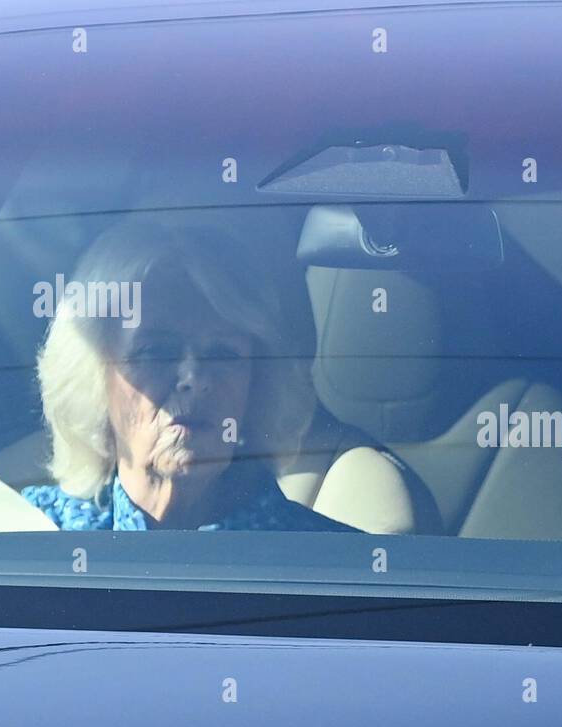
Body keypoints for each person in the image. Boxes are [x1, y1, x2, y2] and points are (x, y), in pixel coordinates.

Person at [23, 221, 364, 532]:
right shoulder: (29, 537)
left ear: (257, 386)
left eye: (223, 353)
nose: (194, 377)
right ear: (94, 378)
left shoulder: (326, 564)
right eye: (156, 351)